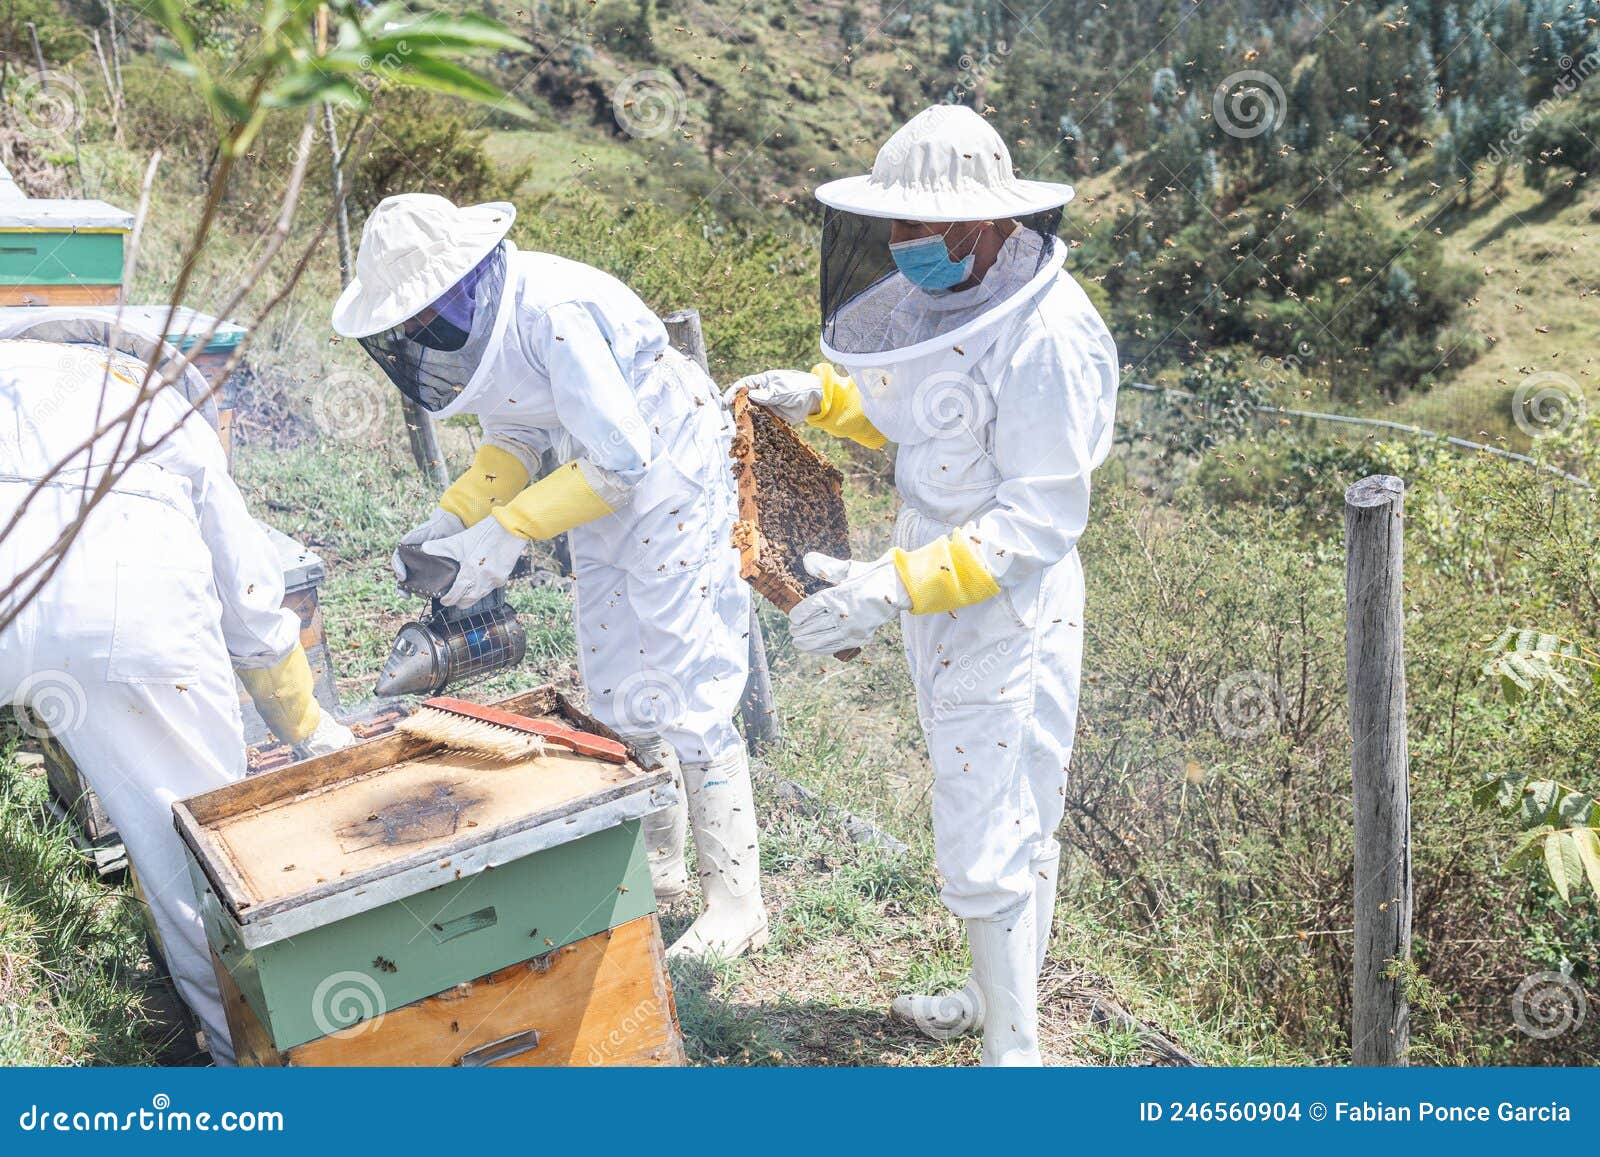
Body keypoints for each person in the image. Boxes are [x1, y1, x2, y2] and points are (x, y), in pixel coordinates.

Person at [730, 104, 1119, 1065]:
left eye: (918, 228)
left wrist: (884, 590)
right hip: (933, 579)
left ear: (985, 225)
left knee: (994, 814)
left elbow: (1035, 520)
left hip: (1006, 601)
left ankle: (1014, 1058)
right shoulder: (944, 298)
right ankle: (997, 1003)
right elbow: (925, 421)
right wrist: (823, 399)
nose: (899, 246)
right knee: (994, 797)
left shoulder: (1050, 335)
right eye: (891, 226)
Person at [330, 195, 765, 959]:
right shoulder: (477, 329)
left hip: (667, 459)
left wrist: (508, 531)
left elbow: (626, 460)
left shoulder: (551, 313)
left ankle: (736, 904)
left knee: (684, 667)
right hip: (590, 469)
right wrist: (457, 517)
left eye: (429, 310)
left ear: (465, 278)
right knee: (613, 666)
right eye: (411, 319)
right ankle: (660, 863)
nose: (424, 330)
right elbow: (517, 435)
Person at [0, 337, 354, 1065]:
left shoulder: (18, 374)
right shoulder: (160, 400)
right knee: (201, 866)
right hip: (136, 606)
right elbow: (253, 607)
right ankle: (255, 1066)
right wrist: (305, 723)